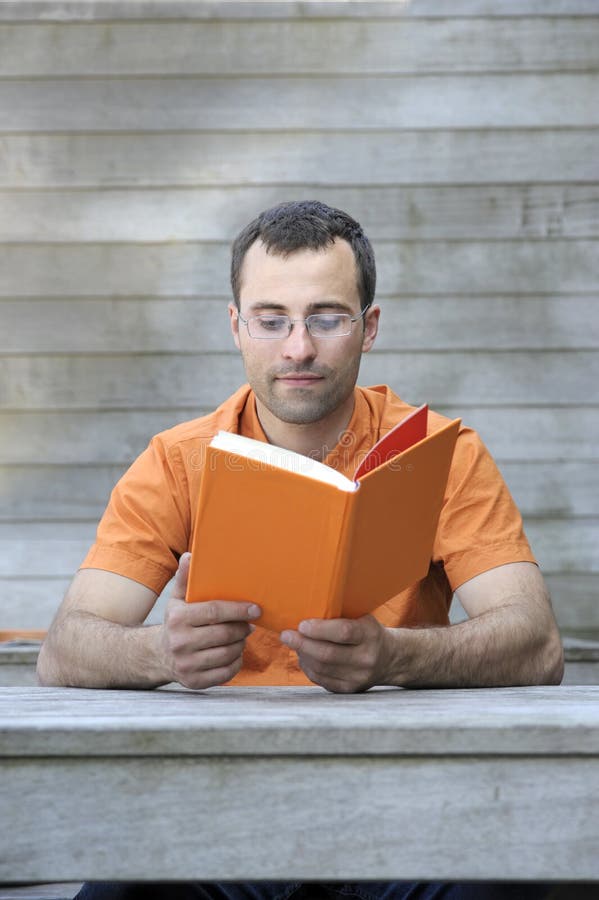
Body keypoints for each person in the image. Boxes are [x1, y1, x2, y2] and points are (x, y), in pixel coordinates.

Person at [37, 200, 563, 899]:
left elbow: (537, 645)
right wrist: (162, 653)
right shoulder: (175, 461)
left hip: (406, 799)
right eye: (271, 319)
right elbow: (64, 649)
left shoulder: (444, 455)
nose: (297, 349)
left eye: (325, 317)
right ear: (236, 327)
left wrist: (396, 656)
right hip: (219, 806)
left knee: (507, 881)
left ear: (367, 328)